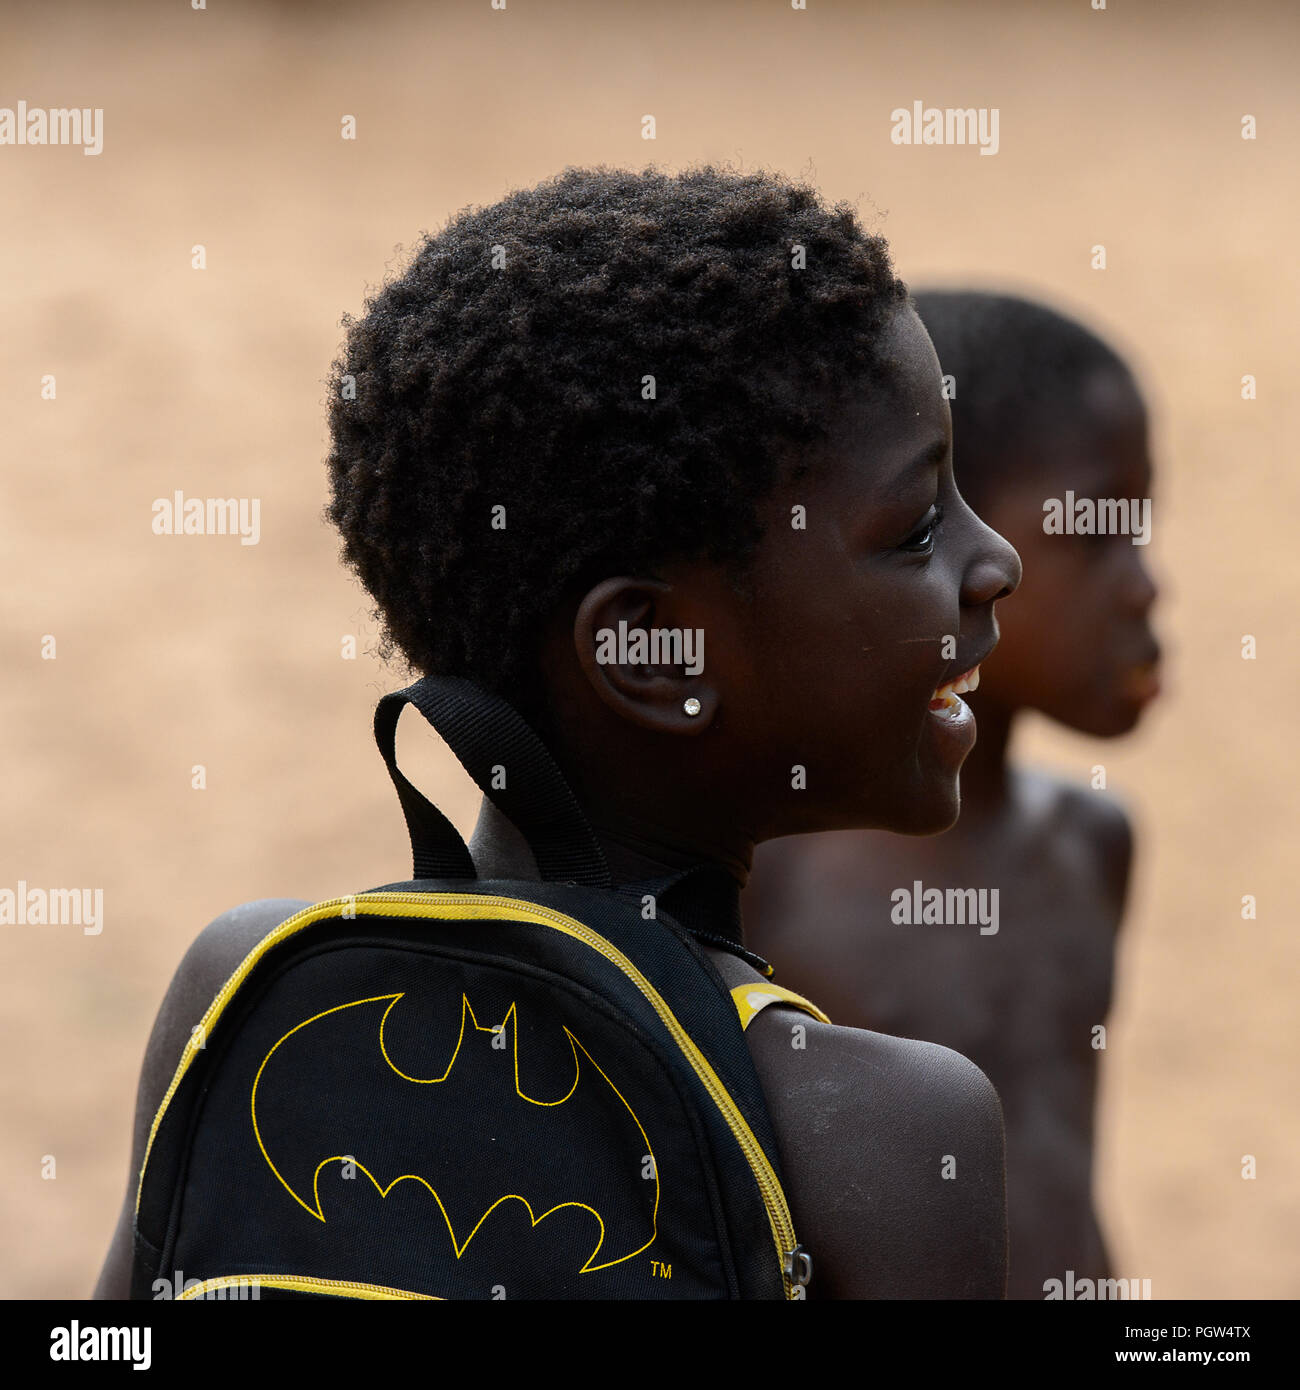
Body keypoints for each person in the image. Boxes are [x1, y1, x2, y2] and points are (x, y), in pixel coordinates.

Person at [95, 168, 1020, 1300]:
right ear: (651, 652)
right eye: (916, 524)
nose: (996, 561)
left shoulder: (240, 983)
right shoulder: (878, 1130)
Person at [745, 290, 1160, 1299]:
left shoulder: (1092, 840)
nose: (1144, 584)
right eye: (1093, 535)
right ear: (946, 546)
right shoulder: (774, 878)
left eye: (1141, 528)